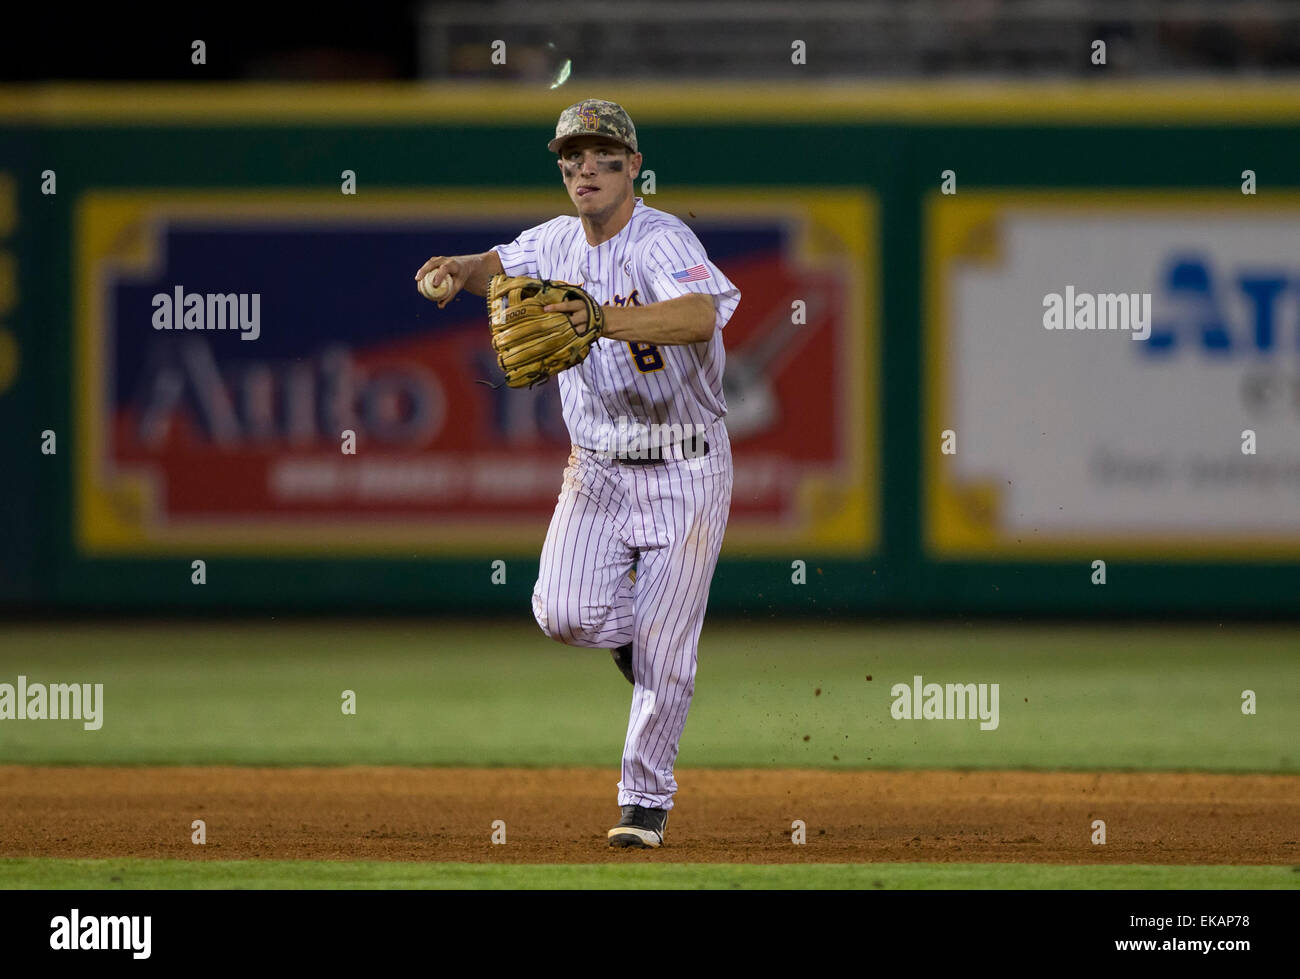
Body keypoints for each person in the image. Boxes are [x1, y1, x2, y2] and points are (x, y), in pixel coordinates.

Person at [414, 98, 740, 848]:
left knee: (666, 656)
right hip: (595, 468)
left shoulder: (660, 240)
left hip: (685, 467)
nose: (584, 168)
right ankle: (638, 642)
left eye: (601, 155)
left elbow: (700, 314)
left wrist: (599, 317)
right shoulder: (555, 241)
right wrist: (460, 269)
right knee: (562, 613)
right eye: (571, 156)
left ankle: (644, 802)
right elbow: (498, 266)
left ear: (633, 166)